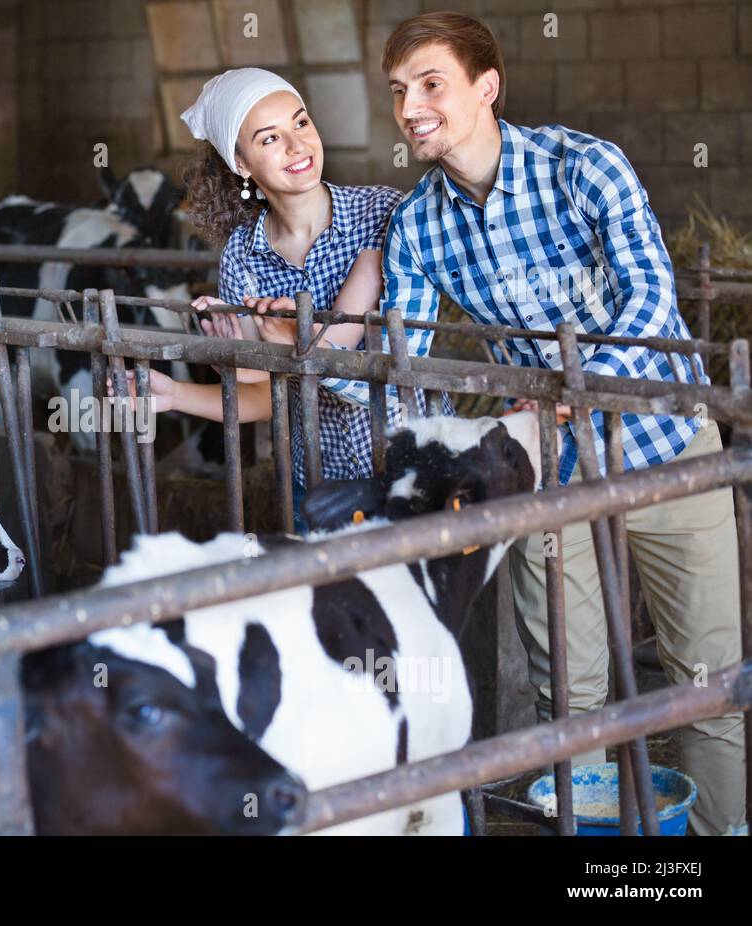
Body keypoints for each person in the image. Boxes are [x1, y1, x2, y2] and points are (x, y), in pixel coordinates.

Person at [377, 11, 744, 834]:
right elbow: (406, 364)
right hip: (552, 467)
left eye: (430, 84)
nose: (410, 108)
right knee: (568, 695)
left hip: (666, 441)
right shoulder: (417, 225)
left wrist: (573, 388)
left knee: (707, 680)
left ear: (487, 88)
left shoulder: (587, 167)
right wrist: (439, 462)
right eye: (399, 92)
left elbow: (649, 296)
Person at [113, 67, 428, 532]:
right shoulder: (242, 256)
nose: (297, 146)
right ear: (241, 164)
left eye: (301, 123)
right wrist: (181, 389)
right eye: (269, 139)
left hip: (414, 469)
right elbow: (261, 398)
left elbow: (377, 358)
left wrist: (288, 345)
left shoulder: (382, 212)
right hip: (317, 485)